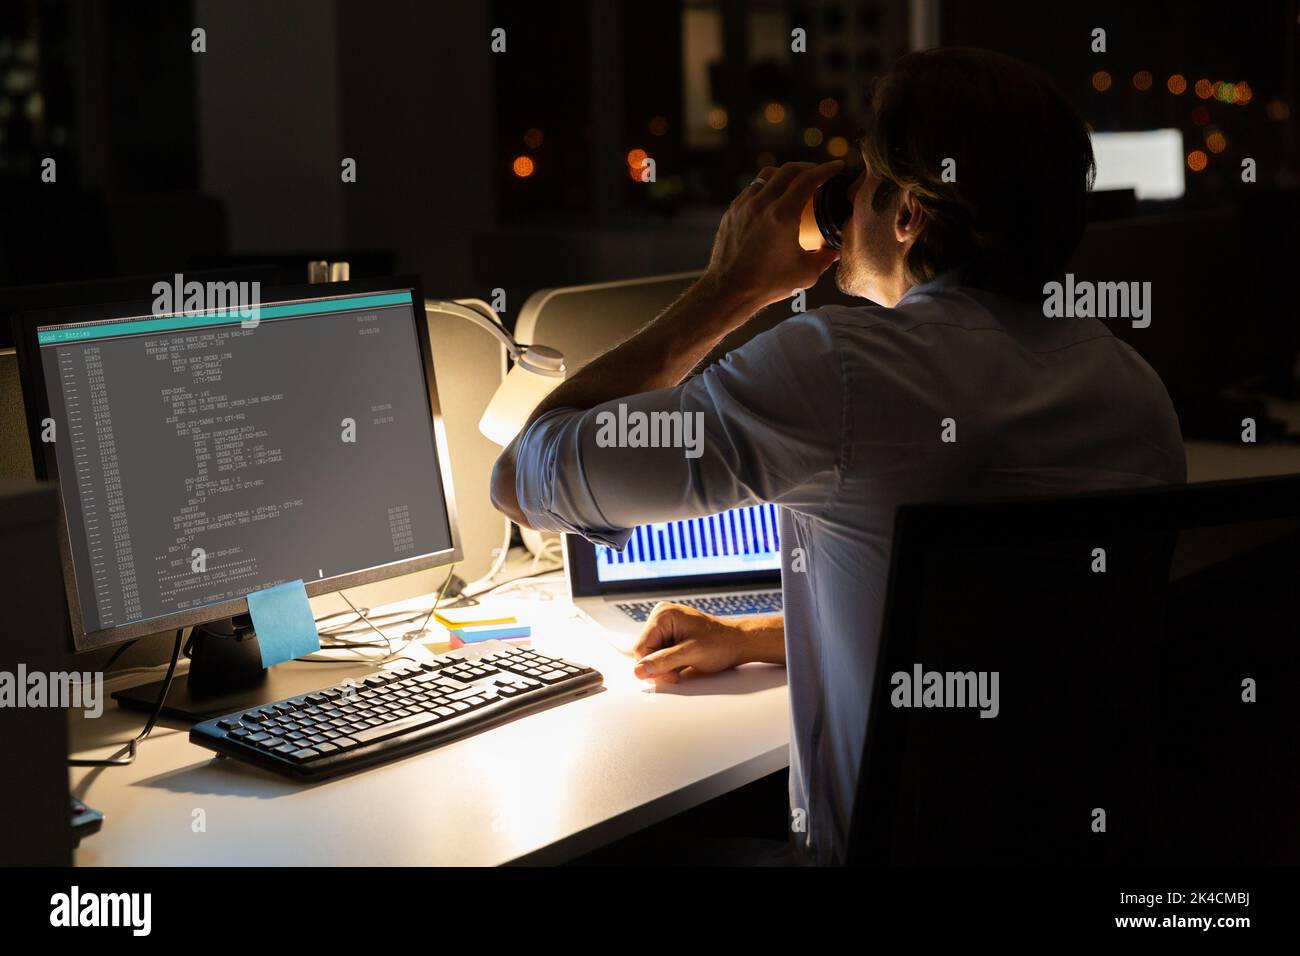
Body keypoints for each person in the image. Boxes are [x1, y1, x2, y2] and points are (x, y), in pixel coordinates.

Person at [490, 47, 1186, 865]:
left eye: (862, 177)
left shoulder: (842, 367)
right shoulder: (1134, 390)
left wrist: (733, 286)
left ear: (907, 215)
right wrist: (756, 636)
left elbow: (526, 477)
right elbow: (996, 635)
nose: (845, 201)